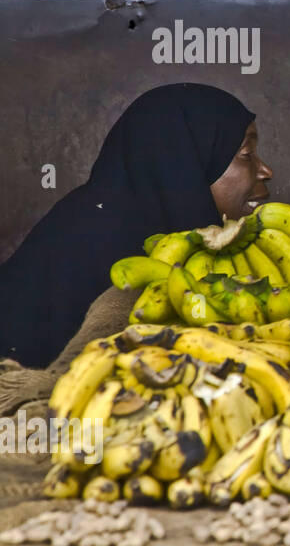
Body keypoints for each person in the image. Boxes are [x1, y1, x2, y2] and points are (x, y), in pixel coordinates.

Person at [0, 83, 272, 369]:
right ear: (185, 162)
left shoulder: (198, 254)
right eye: (246, 154)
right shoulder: (92, 239)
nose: (266, 171)